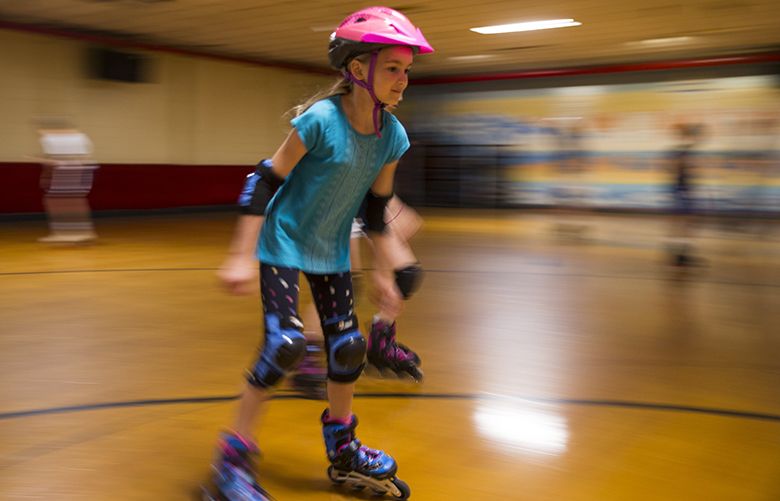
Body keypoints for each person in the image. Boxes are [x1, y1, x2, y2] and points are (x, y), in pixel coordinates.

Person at [210, 7, 433, 500]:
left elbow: (375, 211)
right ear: (358, 70)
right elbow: (263, 181)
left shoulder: (392, 137)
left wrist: (386, 267)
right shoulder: (319, 120)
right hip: (284, 244)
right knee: (285, 345)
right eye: (392, 68)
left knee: (347, 349)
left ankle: (344, 447)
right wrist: (239, 254)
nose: (403, 80)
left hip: (330, 252)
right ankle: (233, 457)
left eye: (407, 71)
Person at [292, 196, 425, 399]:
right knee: (345, 283)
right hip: (337, 192)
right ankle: (308, 357)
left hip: (367, 191)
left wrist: (382, 270)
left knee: (406, 274)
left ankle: (381, 342)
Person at [36, 122, 98, 243]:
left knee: (60, 201)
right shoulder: (80, 136)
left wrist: (44, 172)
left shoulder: (49, 138)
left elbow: (53, 161)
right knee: (70, 201)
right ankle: (83, 232)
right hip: (78, 168)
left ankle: (66, 233)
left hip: (69, 169)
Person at [666, 123, 705, 267]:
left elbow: (675, 169)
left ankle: (678, 253)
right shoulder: (683, 151)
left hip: (681, 190)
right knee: (686, 222)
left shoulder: (682, 150)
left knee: (683, 222)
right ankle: (681, 255)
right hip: (682, 190)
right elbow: (678, 169)